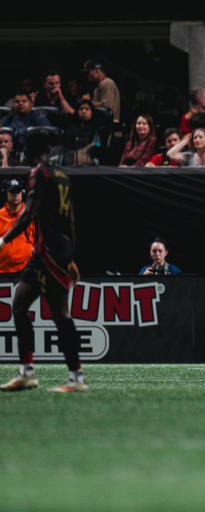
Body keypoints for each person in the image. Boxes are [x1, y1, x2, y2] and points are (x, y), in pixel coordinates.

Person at [0, 133, 87, 392]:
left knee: (60, 314)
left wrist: (3, 240)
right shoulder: (62, 175)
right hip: (48, 251)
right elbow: (71, 218)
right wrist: (71, 255)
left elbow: (28, 214)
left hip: (50, 252)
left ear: (29, 153)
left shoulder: (40, 173)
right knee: (19, 304)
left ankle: (77, 377)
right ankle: (27, 372)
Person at [0, 179, 34, 273]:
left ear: (22, 193)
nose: (15, 195)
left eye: (18, 191)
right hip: (2, 271)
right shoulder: (0, 215)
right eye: (12, 191)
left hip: (25, 271)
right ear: (6, 193)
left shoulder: (30, 215)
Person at [81, 59, 120, 124]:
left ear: (96, 70)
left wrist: (89, 102)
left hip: (108, 126)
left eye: (88, 73)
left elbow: (107, 108)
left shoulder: (107, 83)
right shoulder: (99, 85)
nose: (87, 76)